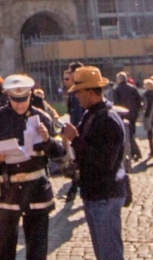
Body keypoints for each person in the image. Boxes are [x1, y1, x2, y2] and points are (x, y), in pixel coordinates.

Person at [0, 73, 66, 260]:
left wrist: (48, 140)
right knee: (4, 246)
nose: (20, 104)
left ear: (30, 95)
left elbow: (59, 152)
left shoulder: (42, 118)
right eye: (15, 100)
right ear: (8, 96)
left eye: (24, 99)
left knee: (37, 246)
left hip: (36, 189)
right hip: (8, 190)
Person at [59, 67, 127, 260]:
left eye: (78, 93)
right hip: (93, 193)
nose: (76, 98)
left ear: (90, 92)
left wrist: (75, 140)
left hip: (105, 194)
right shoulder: (91, 114)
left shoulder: (107, 119)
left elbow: (103, 162)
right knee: (103, 253)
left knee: (109, 254)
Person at [62, 63, 86, 203]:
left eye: (70, 73)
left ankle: (74, 189)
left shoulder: (78, 90)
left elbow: (78, 112)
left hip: (79, 130)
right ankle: (74, 189)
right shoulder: (73, 90)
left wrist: (75, 129)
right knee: (78, 161)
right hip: (76, 129)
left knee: (79, 161)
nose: (69, 76)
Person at [111, 73, 143, 161]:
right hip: (133, 114)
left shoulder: (117, 89)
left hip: (123, 114)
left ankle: (136, 152)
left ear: (119, 80)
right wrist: (136, 111)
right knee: (131, 133)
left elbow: (116, 104)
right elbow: (140, 101)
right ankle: (133, 152)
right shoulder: (133, 88)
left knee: (128, 135)